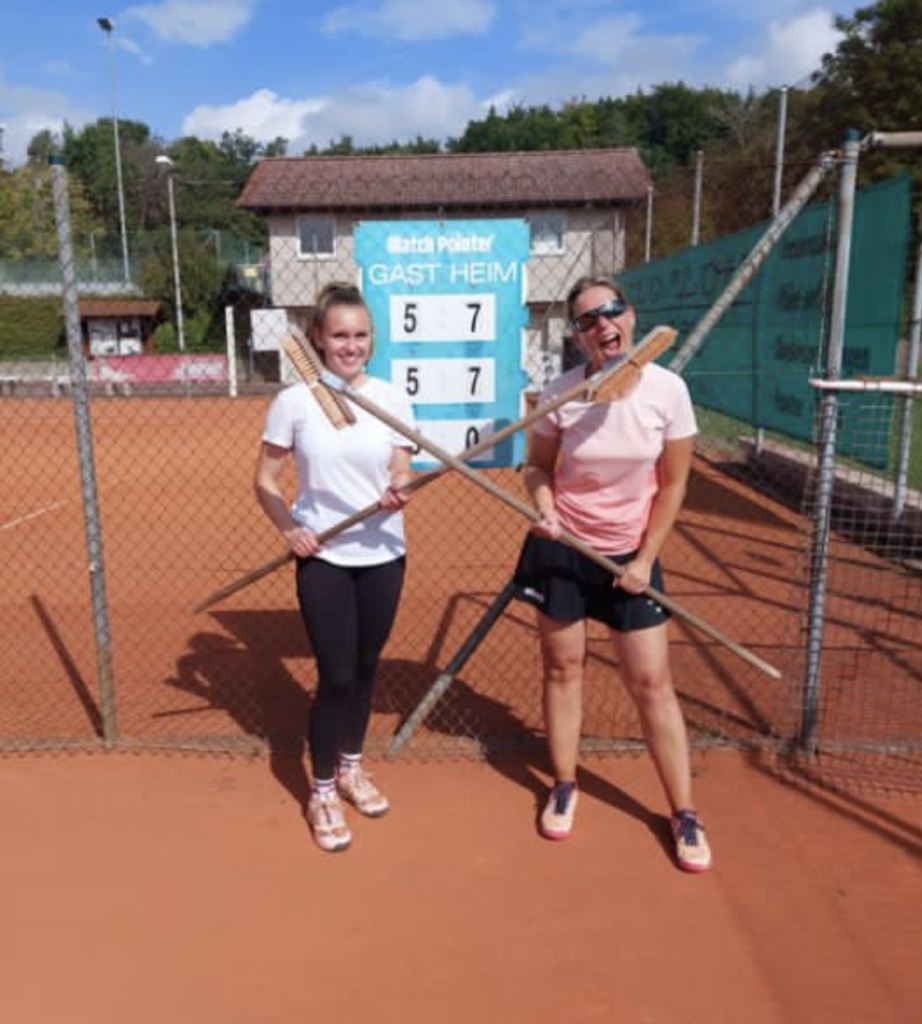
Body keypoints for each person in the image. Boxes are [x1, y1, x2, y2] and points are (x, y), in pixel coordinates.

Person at [513, 275, 712, 873]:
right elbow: (536, 469)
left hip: (632, 554)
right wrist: (545, 509)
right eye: (587, 321)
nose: (603, 326)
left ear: (631, 314)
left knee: (651, 682)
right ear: (577, 337)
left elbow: (674, 482)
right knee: (563, 668)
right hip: (564, 548)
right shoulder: (561, 393)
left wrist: (646, 559)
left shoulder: (667, 390)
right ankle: (566, 784)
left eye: (612, 312)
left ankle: (683, 812)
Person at [254, 282, 414, 853]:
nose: (351, 345)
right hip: (323, 556)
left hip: (384, 554)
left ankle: (350, 767)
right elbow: (266, 481)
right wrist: (289, 528)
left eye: (360, 335)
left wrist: (400, 488)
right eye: (339, 335)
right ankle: (321, 789)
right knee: (337, 675)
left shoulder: (390, 398)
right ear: (318, 338)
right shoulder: (295, 403)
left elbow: (401, 468)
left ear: (372, 340)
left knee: (366, 670)